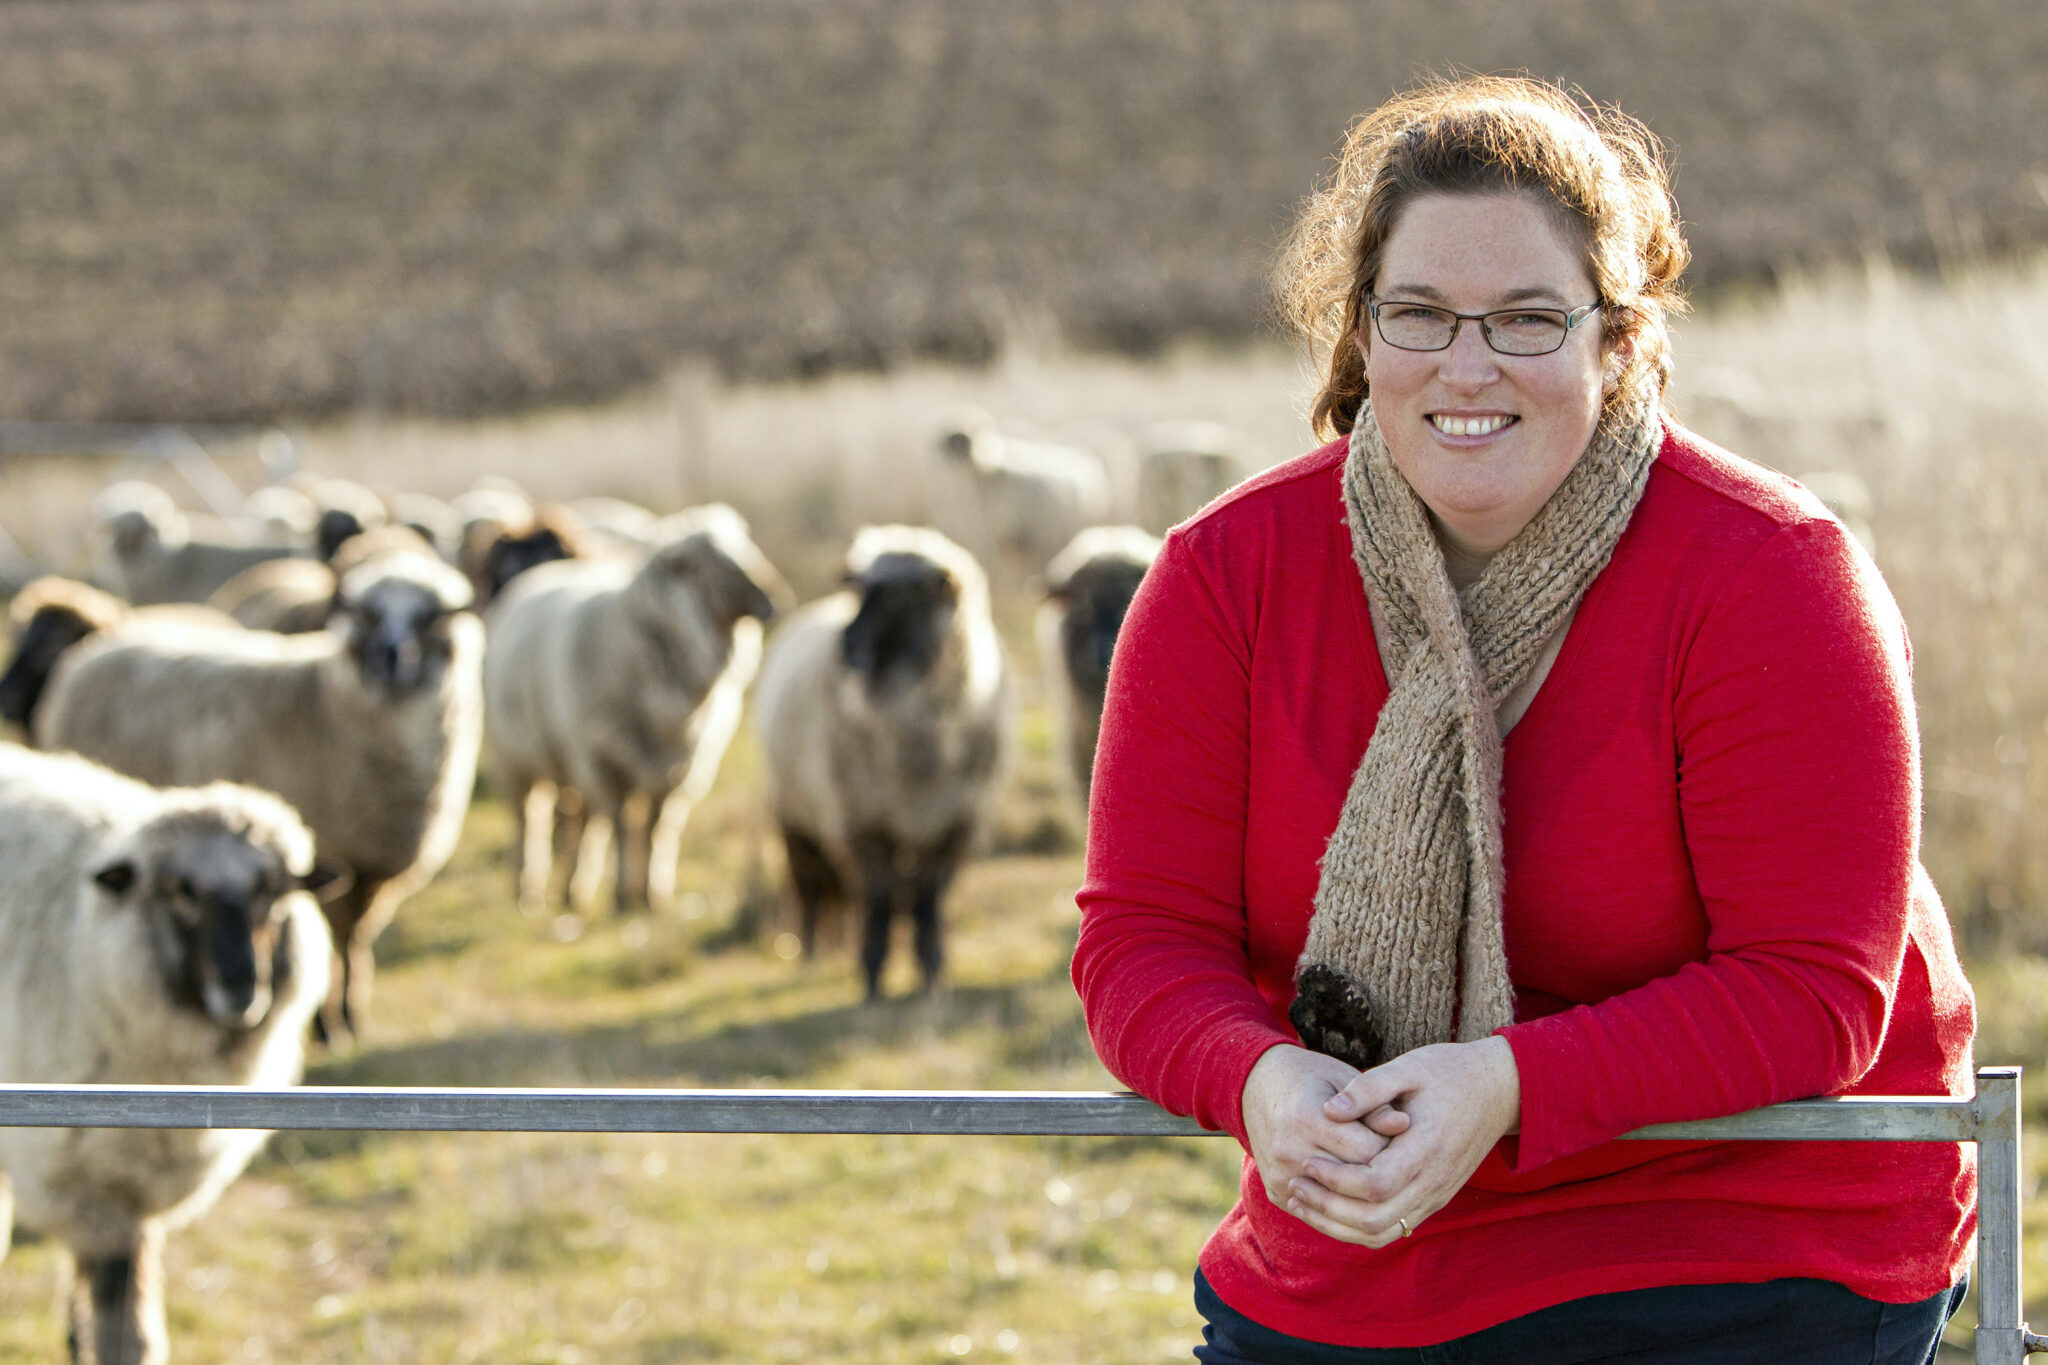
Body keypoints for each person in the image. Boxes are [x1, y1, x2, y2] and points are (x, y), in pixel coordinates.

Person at [1071, 75, 1975, 1363]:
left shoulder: (1769, 575)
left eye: (1529, 320)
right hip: (1366, 1238)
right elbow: (1143, 945)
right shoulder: (1228, 579)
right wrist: (1261, 1078)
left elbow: (1813, 990)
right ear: (1361, 335)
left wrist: (1506, 1086)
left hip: (1738, 1227)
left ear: (1621, 339)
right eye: (1422, 315)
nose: (1468, 366)